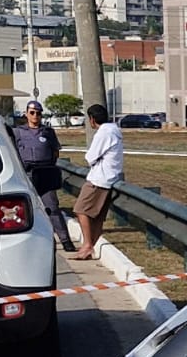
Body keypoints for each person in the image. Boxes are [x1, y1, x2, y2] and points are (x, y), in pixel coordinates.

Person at [12, 100, 75, 251]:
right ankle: (24, 244)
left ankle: (65, 240)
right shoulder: (18, 132)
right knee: (23, 209)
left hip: (45, 173)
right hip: (26, 174)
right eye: (32, 112)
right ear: (26, 114)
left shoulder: (48, 132)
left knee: (52, 207)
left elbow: (55, 152)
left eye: (38, 113)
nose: (35, 116)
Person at [71, 104, 123, 261]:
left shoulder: (104, 133)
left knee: (80, 210)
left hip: (100, 179)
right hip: (111, 177)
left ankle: (87, 245)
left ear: (92, 119)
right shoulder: (114, 130)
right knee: (97, 217)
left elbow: (90, 157)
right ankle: (89, 246)